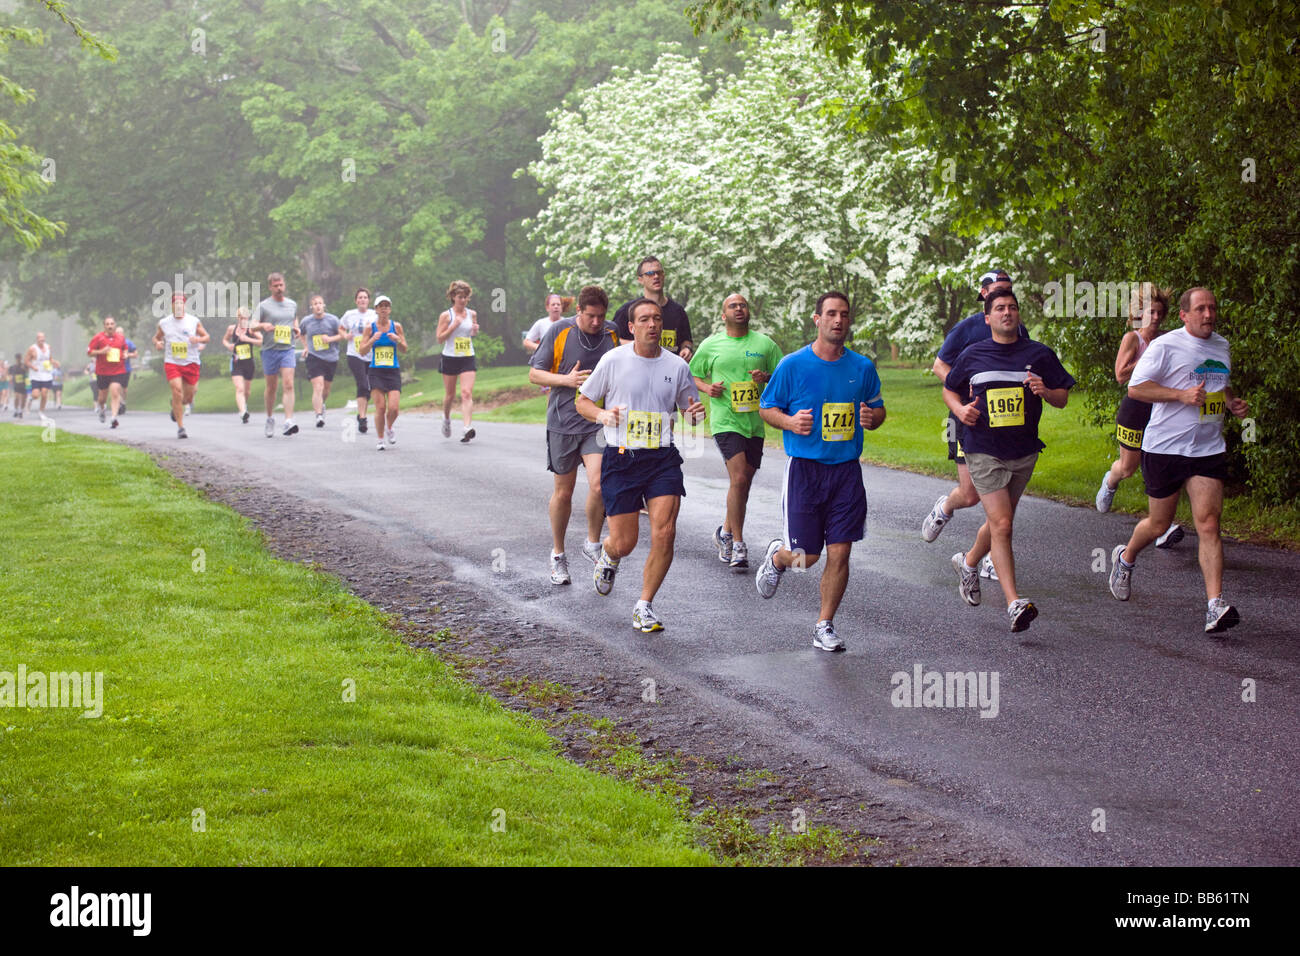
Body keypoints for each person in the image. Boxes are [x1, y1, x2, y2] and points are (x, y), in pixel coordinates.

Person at [1107, 288, 1248, 634]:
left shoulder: (1222, 346)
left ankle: (1214, 605)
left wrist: (1230, 402)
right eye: (1200, 308)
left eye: (1212, 308)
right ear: (1184, 315)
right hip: (1165, 448)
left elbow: (1219, 381)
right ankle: (1126, 558)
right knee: (1158, 523)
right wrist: (1180, 395)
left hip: (1207, 449)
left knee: (1209, 524)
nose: (1208, 314)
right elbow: (1136, 388)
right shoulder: (1165, 345)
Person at [755, 291, 886, 652]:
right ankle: (779, 558)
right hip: (805, 471)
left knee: (841, 552)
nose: (838, 321)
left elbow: (878, 409)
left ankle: (824, 625)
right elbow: (767, 408)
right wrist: (790, 421)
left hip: (845, 472)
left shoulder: (862, 367)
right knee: (807, 557)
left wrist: (872, 418)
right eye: (831, 314)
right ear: (817, 319)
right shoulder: (793, 365)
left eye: (844, 314)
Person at [943, 289, 1075, 632]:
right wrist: (959, 410)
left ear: (1018, 315)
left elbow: (1062, 397)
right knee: (1002, 523)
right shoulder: (973, 353)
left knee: (1000, 519)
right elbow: (949, 387)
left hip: (1024, 451)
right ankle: (1014, 602)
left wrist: (1045, 391)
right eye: (999, 308)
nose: (1007, 313)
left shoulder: (1039, 354)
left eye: (1012, 308)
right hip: (982, 448)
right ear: (987, 318)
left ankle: (968, 562)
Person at [575, 297, 705, 632]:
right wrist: (603, 414)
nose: (653, 325)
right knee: (625, 542)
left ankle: (644, 605)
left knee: (665, 531)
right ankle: (609, 553)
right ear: (631, 327)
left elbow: (689, 405)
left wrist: (694, 413)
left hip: (661, 457)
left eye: (657, 319)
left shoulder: (677, 366)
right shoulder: (613, 360)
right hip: (621, 457)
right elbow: (583, 401)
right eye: (645, 319)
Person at [921, 270, 1026, 585]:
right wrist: (963, 392)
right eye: (997, 291)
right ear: (983, 294)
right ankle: (945, 506)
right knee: (970, 495)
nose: (1004, 301)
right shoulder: (966, 328)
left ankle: (991, 559)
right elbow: (940, 365)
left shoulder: (1020, 331)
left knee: (1004, 502)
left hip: (1007, 425)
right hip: (968, 418)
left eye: (1008, 292)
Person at [527, 285, 619, 585]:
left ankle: (592, 542)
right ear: (578, 311)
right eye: (591, 316)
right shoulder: (559, 331)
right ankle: (558, 554)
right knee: (564, 492)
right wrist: (566, 380)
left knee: (599, 484)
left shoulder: (611, 333)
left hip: (596, 422)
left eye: (601, 316)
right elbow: (535, 374)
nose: (596, 323)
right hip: (563, 421)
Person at [689, 293, 783, 571]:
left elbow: (784, 376)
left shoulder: (764, 344)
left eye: (742, 304)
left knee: (743, 482)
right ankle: (738, 545)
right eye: (733, 305)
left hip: (755, 421)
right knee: (739, 477)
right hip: (725, 420)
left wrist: (766, 378)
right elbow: (691, 374)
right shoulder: (712, 344)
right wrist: (708, 388)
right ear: (723, 315)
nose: (739, 308)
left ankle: (725, 532)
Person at [1095, 284, 1184, 548]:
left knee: (1159, 468)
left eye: (1159, 313)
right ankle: (1110, 481)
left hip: (1160, 409)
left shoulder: (1167, 339)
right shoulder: (1133, 339)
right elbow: (1120, 375)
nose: (1155, 318)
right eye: (1151, 313)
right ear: (1140, 314)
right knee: (1129, 467)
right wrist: (1149, 360)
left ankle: (1161, 528)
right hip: (1134, 409)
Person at [612, 257, 694, 360]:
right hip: (637, 369)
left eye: (659, 272)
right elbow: (612, 340)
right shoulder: (628, 310)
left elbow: (686, 340)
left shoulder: (678, 311)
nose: (656, 276)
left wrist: (686, 349)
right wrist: (640, 345)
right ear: (640, 279)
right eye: (650, 273)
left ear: (664, 276)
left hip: (669, 370)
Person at [153, 292, 210, 439]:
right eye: (175, 303)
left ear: (184, 305)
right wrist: (158, 343)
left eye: (181, 303)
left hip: (191, 361)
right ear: (171, 306)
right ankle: (181, 427)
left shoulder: (193, 321)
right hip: (172, 362)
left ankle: (176, 406)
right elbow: (157, 337)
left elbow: (207, 337)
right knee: (177, 390)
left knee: (188, 398)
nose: (178, 306)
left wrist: (197, 339)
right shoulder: (164, 323)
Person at [253, 271, 299, 437]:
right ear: (270, 287)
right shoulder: (264, 306)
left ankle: (288, 421)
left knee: (288, 384)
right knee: (271, 387)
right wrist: (263, 325)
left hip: (287, 348)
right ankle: (270, 417)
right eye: (276, 286)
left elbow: (294, 319)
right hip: (270, 349)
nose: (279, 288)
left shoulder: (292, 304)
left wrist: (297, 328)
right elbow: (252, 326)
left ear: (284, 285)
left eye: (281, 285)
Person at [358, 295, 407, 451]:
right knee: (380, 407)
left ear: (390, 309)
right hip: (376, 371)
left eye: (387, 305)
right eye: (381, 306)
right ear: (376, 309)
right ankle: (380, 439)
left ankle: (389, 427)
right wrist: (372, 340)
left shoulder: (396, 326)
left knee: (394, 408)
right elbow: (362, 351)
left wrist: (397, 340)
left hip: (393, 371)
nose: (384, 308)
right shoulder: (370, 328)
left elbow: (405, 349)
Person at [437, 279, 479, 442]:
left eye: (465, 297)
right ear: (453, 297)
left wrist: (475, 330)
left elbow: (472, 333)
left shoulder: (472, 314)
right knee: (450, 395)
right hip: (450, 357)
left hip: (467, 356)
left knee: (466, 393)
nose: (463, 300)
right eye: (460, 296)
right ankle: (446, 419)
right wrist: (453, 326)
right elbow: (440, 338)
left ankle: (466, 427)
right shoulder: (446, 315)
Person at [298, 294, 344, 428]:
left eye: (320, 303)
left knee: (326, 388)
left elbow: (343, 334)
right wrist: (306, 346)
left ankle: (321, 404)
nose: (318, 306)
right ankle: (318, 415)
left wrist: (330, 339)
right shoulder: (306, 321)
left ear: (324, 305)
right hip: (314, 357)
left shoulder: (333, 320)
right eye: (315, 304)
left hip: (330, 357)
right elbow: (301, 333)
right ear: (311, 307)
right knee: (318, 386)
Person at [338, 288, 374, 434]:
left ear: (368, 300)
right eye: (360, 297)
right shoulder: (349, 314)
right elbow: (340, 328)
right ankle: (364, 419)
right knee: (362, 383)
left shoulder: (374, 315)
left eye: (365, 297)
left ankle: (361, 413)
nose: (362, 300)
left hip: (370, 355)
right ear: (356, 300)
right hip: (355, 354)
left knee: (369, 388)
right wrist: (345, 335)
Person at [87, 316, 130, 429]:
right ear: (104, 326)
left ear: (115, 325)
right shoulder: (98, 338)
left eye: (112, 323)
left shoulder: (120, 338)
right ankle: (102, 408)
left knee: (115, 392)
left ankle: (113, 418)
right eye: (107, 324)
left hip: (118, 370)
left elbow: (125, 348)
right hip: (102, 372)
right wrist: (102, 351)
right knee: (102, 398)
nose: (110, 326)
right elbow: (89, 352)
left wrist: (125, 354)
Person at [222, 307, 263, 423]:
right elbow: (224, 340)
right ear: (238, 318)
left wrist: (248, 340)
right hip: (236, 362)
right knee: (239, 388)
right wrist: (228, 345)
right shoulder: (231, 329)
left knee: (247, 391)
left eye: (246, 318)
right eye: (242, 318)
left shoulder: (252, 329)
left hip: (249, 363)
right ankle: (243, 412)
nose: (244, 320)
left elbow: (261, 341)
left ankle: (244, 406)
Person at [24, 332, 59, 419]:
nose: (42, 339)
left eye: (43, 338)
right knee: (36, 395)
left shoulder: (48, 347)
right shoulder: (32, 348)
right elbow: (26, 361)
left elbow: (50, 359)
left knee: (44, 393)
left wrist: (55, 362)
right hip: (35, 375)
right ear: (37, 339)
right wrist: (33, 367)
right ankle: (30, 399)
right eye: (40, 338)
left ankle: (41, 412)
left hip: (46, 374)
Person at [9, 352, 27, 418]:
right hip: (16, 384)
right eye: (17, 358)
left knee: (23, 398)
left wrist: (24, 369)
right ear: (16, 358)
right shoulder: (12, 367)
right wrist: (10, 380)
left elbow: (28, 372)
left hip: (23, 384)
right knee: (16, 397)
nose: (19, 359)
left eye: (20, 358)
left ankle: (21, 411)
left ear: (21, 358)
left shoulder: (24, 365)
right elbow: (10, 375)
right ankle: (16, 410)